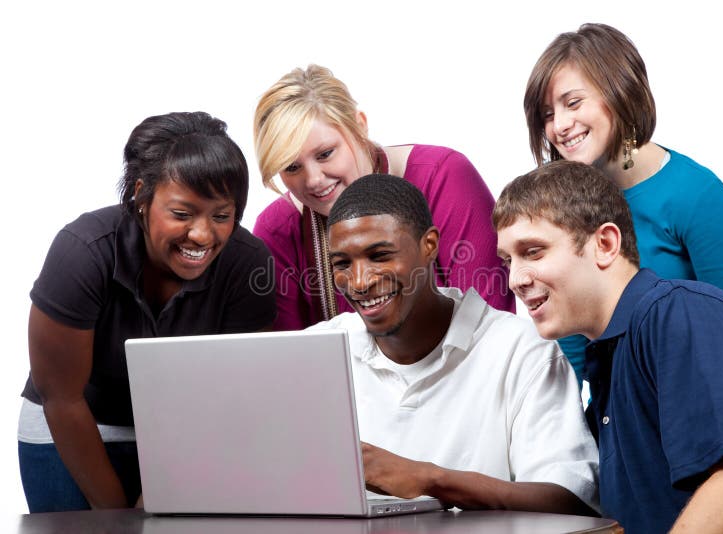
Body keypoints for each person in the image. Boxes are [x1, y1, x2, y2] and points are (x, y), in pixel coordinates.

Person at [494, 160, 723, 533]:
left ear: (605, 244)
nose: (514, 280)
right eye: (508, 260)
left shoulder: (683, 313)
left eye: (534, 251)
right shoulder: (610, 358)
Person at [18, 112, 277, 512]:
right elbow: (61, 396)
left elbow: (233, 397)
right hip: (71, 422)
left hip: (185, 434)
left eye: (221, 215)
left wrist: (160, 494)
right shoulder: (82, 252)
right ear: (142, 195)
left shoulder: (248, 264)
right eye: (182, 213)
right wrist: (119, 518)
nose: (203, 235)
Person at [307, 173, 599, 513]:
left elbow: (570, 499)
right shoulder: (314, 352)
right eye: (342, 264)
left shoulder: (520, 351)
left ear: (429, 245)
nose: (358, 282)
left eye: (380, 255)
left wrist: (429, 480)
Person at [523, 23, 723, 380]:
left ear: (619, 92)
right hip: (616, 415)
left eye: (573, 103)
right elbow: (572, 361)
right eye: (547, 114)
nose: (560, 125)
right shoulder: (561, 208)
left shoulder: (698, 197)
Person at [252, 64, 514, 330]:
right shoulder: (278, 228)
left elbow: (489, 328)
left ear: (359, 126)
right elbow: (287, 357)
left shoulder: (444, 177)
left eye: (325, 154)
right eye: (292, 167)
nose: (314, 180)